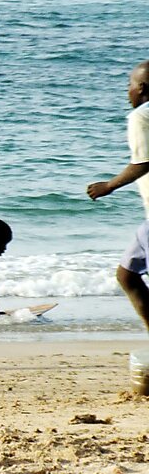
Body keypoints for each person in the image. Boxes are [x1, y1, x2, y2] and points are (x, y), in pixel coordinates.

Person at [87, 60, 149, 332]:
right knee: (127, 274)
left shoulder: (141, 116)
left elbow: (144, 162)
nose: (128, 92)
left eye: (130, 85)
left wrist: (108, 186)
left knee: (127, 276)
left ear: (142, 88)